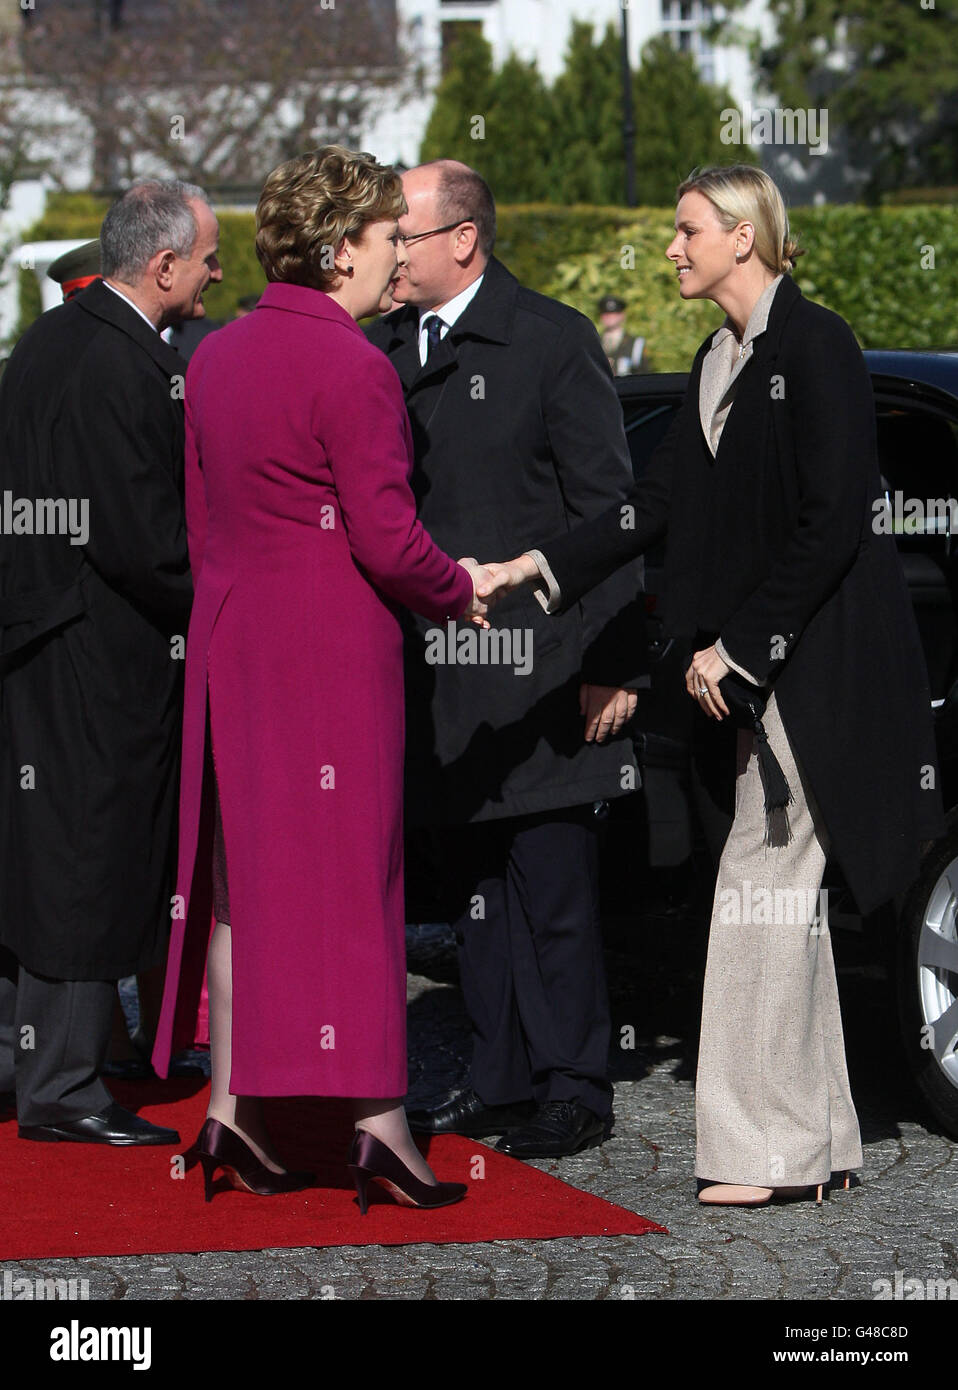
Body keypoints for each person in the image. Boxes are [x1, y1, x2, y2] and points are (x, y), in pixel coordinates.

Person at [477, 165, 943, 1204]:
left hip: (822, 678)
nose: (673, 250)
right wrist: (538, 566)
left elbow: (832, 520)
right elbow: (650, 508)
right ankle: (815, 1142)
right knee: (781, 904)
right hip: (768, 685)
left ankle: (761, 1154)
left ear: (743, 235)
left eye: (686, 231)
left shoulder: (816, 344)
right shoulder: (716, 359)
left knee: (755, 897)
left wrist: (738, 649)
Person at [152, 146, 489, 1211]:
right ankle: (381, 1130)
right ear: (340, 248)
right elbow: (389, 542)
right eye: (390, 239)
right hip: (333, 652)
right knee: (356, 887)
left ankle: (230, 1111)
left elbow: (202, 527)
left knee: (241, 887)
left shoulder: (212, 358)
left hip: (235, 641)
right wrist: (457, 589)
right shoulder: (356, 367)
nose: (400, 260)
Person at [366, 160, 647, 1160]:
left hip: (544, 675)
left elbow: (609, 516)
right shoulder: (383, 348)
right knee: (476, 895)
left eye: (403, 233)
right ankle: (498, 1077)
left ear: (464, 240)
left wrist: (617, 663)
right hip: (441, 687)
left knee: (554, 892)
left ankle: (575, 1086)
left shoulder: (549, 340)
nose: (389, 251)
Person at [0, 179, 221, 1145]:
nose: (219, 271)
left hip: (45, 634)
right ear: (162, 264)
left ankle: (25, 1059)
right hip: (100, 646)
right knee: (86, 853)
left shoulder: (51, 339)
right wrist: (220, 596)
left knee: (43, 850)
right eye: (209, 256)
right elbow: (138, 535)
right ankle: (65, 1084)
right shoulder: (119, 361)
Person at [597, 294, 648, 376]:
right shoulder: (595, 342)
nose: (610, 317)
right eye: (606, 314)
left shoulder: (636, 343)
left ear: (622, 315)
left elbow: (643, 374)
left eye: (614, 313)